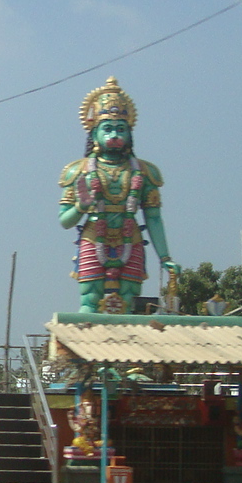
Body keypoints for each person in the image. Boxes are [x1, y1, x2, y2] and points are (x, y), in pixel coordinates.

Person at [57, 77, 178, 314]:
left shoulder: (145, 172)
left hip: (130, 239)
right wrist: (81, 207)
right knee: (90, 302)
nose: (114, 134)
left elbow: (153, 218)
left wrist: (164, 257)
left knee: (126, 304)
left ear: (130, 133)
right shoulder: (77, 171)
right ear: (94, 133)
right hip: (94, 238)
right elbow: (64, 220)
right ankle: (83, 349)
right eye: (107, 128)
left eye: (120, 128)